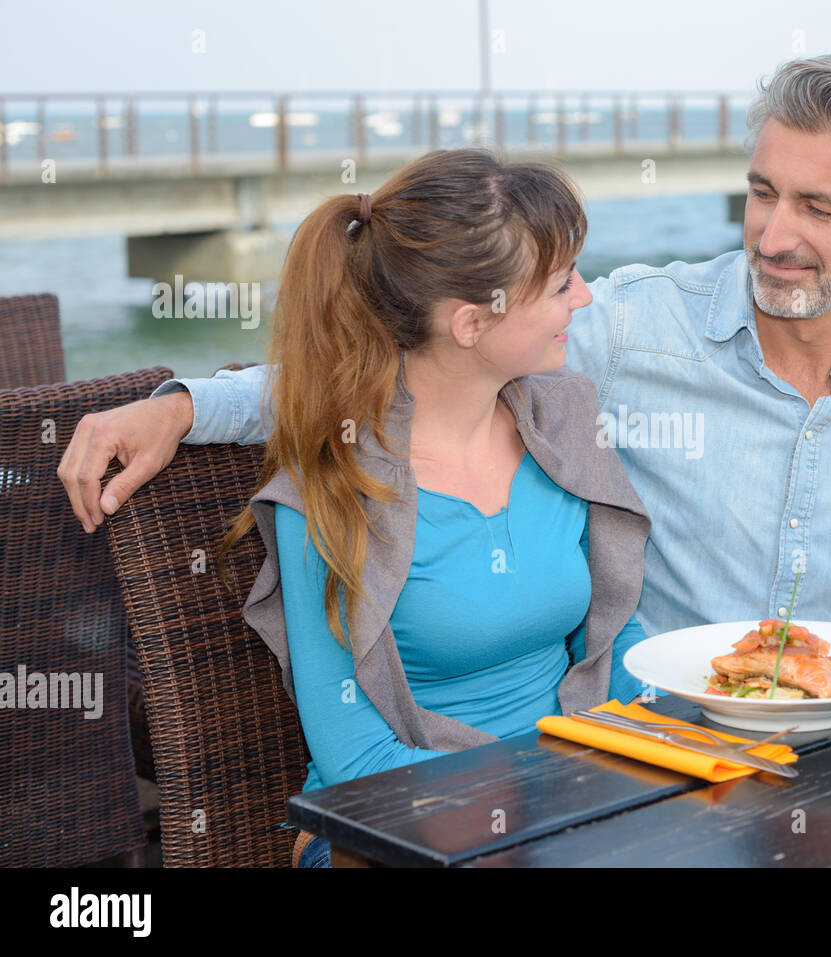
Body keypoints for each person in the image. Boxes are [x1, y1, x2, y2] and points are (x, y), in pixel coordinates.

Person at [60, 52, 831, 644]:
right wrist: (180, 401)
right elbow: (418, 367)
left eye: (819, 211)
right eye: (760, 192)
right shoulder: (634, 327)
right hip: (655, 749)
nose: (773, 237)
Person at [184, 150, 652, 867]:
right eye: (561, 283)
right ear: (471, 323)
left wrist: (701, 718)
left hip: (573, 802)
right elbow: (354, 756)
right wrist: (554, 800)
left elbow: (611, 641)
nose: (583, 298)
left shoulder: (562, 421)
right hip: (405, 823)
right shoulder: (335, 487)